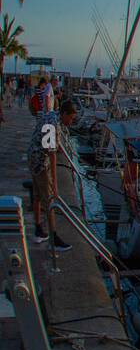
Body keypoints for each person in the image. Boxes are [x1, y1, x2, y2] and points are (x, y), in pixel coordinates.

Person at [28, 99, 77, 250]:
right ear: (63, 113)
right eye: (70, 118)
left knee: (37, 196)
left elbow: (53, 144)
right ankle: (54, 239)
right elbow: (51, 154)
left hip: (34, 158)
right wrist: (55, 184)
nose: (71, 122)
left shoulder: (52, 117)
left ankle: (38, 231)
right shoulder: (52, 123)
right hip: (40, 162)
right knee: (50, 200)